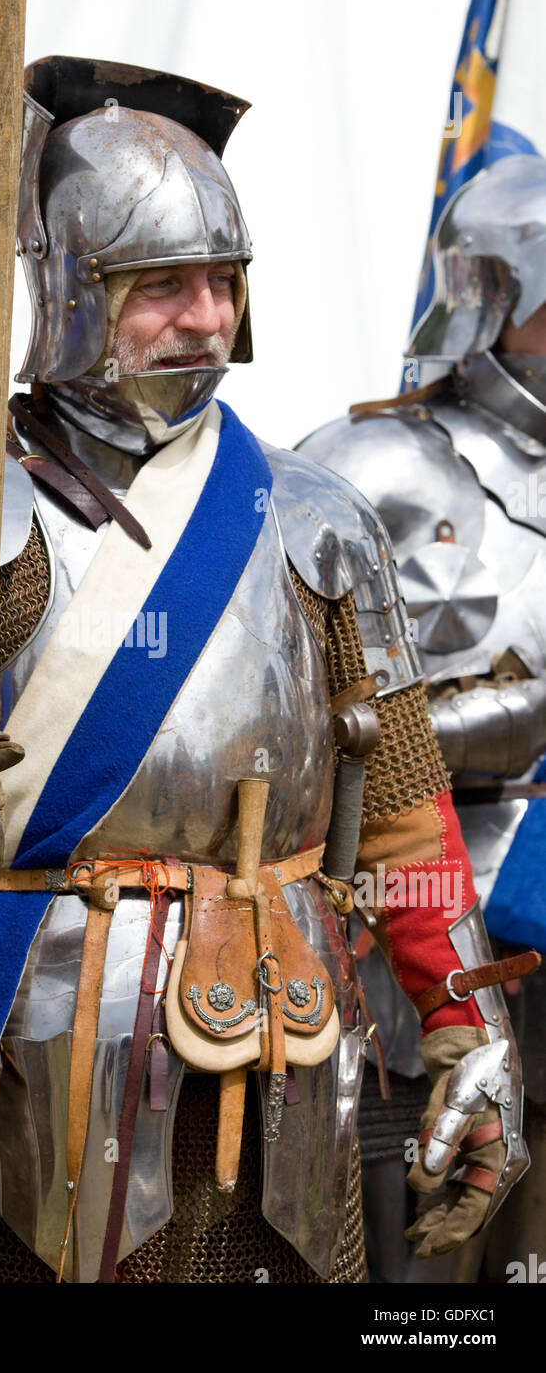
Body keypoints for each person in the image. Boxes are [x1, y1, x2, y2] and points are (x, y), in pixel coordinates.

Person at [0, 59, 530, 1284]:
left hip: (287, 1057)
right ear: (71, 293)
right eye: (159, 287)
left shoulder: (316, 519)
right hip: (31, 1049)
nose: (204, 318)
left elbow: (400, 814)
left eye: (220, 284)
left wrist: (465, 1020)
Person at [296, 153, 546, 1282]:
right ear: (496, 293)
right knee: (415, 1270)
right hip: (415, 933)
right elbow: (280, 730)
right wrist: (505, 716)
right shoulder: (361, 469)